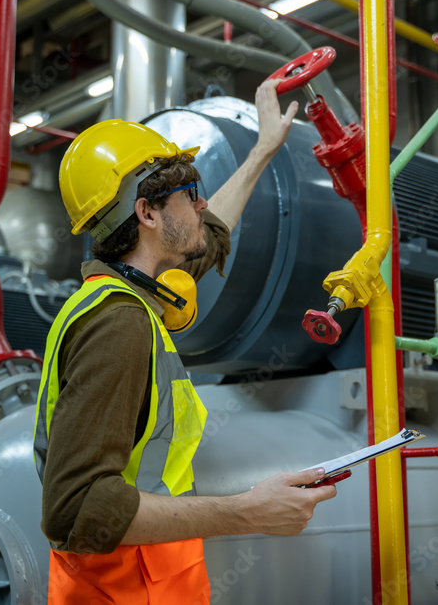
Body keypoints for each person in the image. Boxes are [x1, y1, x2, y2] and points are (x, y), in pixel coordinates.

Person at [33, 80, 337, 604]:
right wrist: (246, 510)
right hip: (123, 592)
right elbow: (76, 509)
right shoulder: (119, 324)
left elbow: (206, 237)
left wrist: (264, 147)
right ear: (148, 213)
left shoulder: (134, 297)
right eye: (189, 196)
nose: (201, 207)